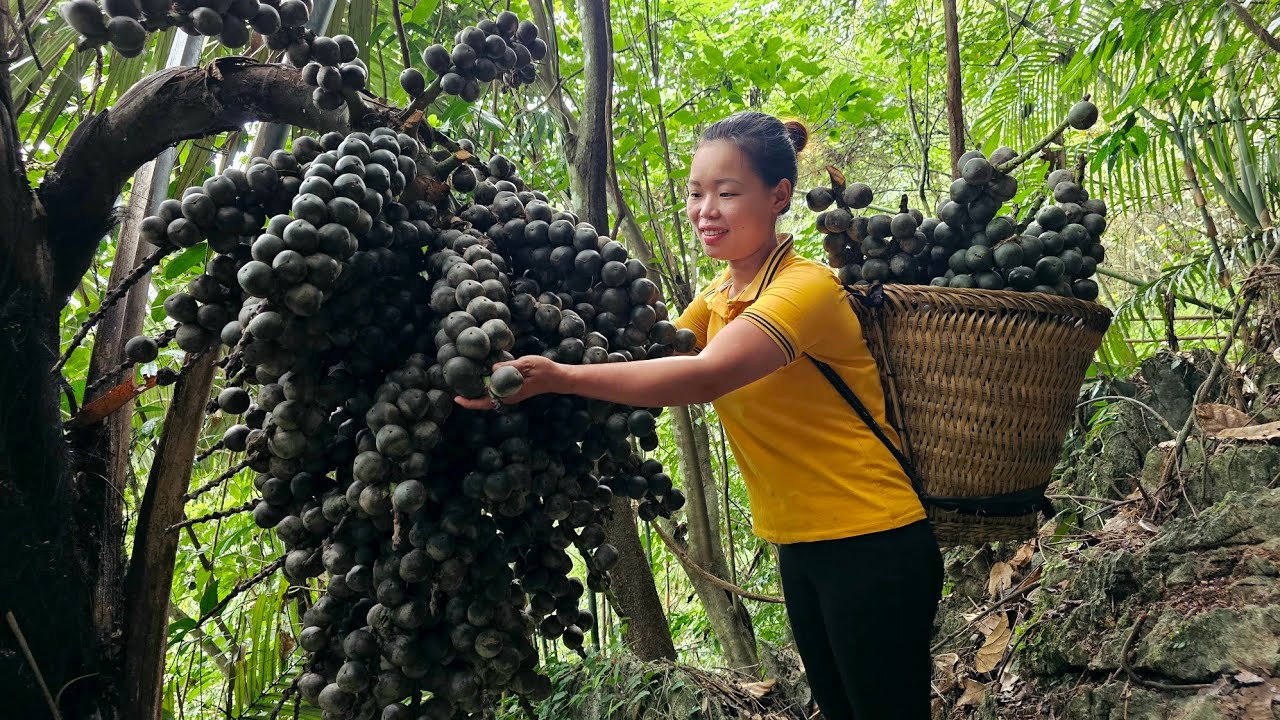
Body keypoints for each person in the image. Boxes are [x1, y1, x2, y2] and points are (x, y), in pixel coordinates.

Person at [456, 111, 943, 719]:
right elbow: (643, 362)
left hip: (873, 539)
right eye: (695, 193)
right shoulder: (716, 297)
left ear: (779, 197)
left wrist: (559, 377)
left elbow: (701, 375)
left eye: (726, 192)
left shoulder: (806, 289)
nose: (705, 209)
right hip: (799, 544)